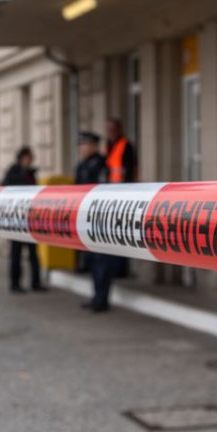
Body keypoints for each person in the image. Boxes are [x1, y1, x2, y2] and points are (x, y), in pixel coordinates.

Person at [87, 119, 138, 312]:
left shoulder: (125, 146)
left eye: (112, 129)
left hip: (121, 199)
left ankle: (119, 271)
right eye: (107, 129)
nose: (109, 132)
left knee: (111, 247)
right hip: (107, 200)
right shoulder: (109, 147)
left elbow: (128, 173)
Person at [1, 147, 44, 294]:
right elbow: (6, 190)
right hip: (16, 220)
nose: (28, 160)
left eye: (30, 158)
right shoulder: (13, 172)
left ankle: (36, 282)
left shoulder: (31, 174)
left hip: (30, 220)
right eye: (26, 158)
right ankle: (15, 283)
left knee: (33, 254)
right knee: (16, 254)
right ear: (21, 158)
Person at [74, 130, 106, 283]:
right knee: (91, 260)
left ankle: (100, 300)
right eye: (80, 145)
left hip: (99, 217)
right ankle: (96, 297)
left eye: (84, 145)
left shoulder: (100, 164)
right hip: (85, 217)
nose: (81, 148)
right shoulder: (82, 165)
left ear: (93, 146)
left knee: (100, 260)